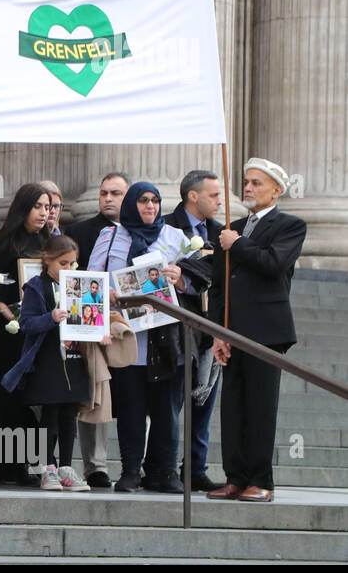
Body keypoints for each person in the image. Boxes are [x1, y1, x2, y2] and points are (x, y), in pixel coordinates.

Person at [207, 159, 306, 503]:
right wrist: (218, 331)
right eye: (246, 182)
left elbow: (273, 264)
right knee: (233, 407)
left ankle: (261, 479)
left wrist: (237, 244)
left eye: (257, 183)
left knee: (261, 407)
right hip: (232, 333)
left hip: (266, 331)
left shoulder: (290, 225)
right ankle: (235, 477)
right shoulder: (232, 228)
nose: (248, 188)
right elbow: (218, 286)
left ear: (277, 190)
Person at [88, 181, 188, 493]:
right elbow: (91, 279)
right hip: (127, 339)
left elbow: (201, 273)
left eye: (155, 201)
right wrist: (108, 293)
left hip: (164, 338)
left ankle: (166, 471)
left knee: (166, 411)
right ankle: (130, 470)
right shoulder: (112, 235)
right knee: (131, 409)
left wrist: (180, 275)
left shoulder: (174, 236)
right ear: (132, 204)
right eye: (143, 200)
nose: (150, 206)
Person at [1, 235, 94, 492]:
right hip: (47, 360)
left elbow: (89, 316)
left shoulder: (77, 285)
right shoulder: (36, 286)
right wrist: (50, 317)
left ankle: (66, 467)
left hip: (73, 359)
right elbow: (27, 323)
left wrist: (98, 329)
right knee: (50, 416)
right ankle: (47, 468)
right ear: (47, 259)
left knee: (69, 415)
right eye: (63, 263)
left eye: (73, 264)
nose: (68, 269)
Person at [62, 170, 128, 487]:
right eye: (104, 193)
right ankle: (96, 466)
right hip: (89, 321)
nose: (107, 199)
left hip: (131, 324)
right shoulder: (79, 231)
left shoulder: (140, 233)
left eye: (115, 193)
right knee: (95, 392)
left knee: (131, 396)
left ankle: (135, 465)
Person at [0, 183, 52, 486]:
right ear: (24, 207)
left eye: (48, 207)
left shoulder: (50, 242)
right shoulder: (5, 242)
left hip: (41, 330)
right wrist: (10, 315)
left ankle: (30, 463)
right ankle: (7, 467)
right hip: (12, 328)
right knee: (13, 396)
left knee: (36, 396)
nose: (43, 213)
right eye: (37, 206)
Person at [164, 169, 225, 491]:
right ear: (193, 196)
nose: (220, 201)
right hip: (176, 325)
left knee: (205, 399)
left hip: (211, 325)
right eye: (214, 195)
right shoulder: (165, 226)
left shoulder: (222, 233)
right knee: (172, 400)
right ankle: (165, 467)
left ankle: (196, 467)